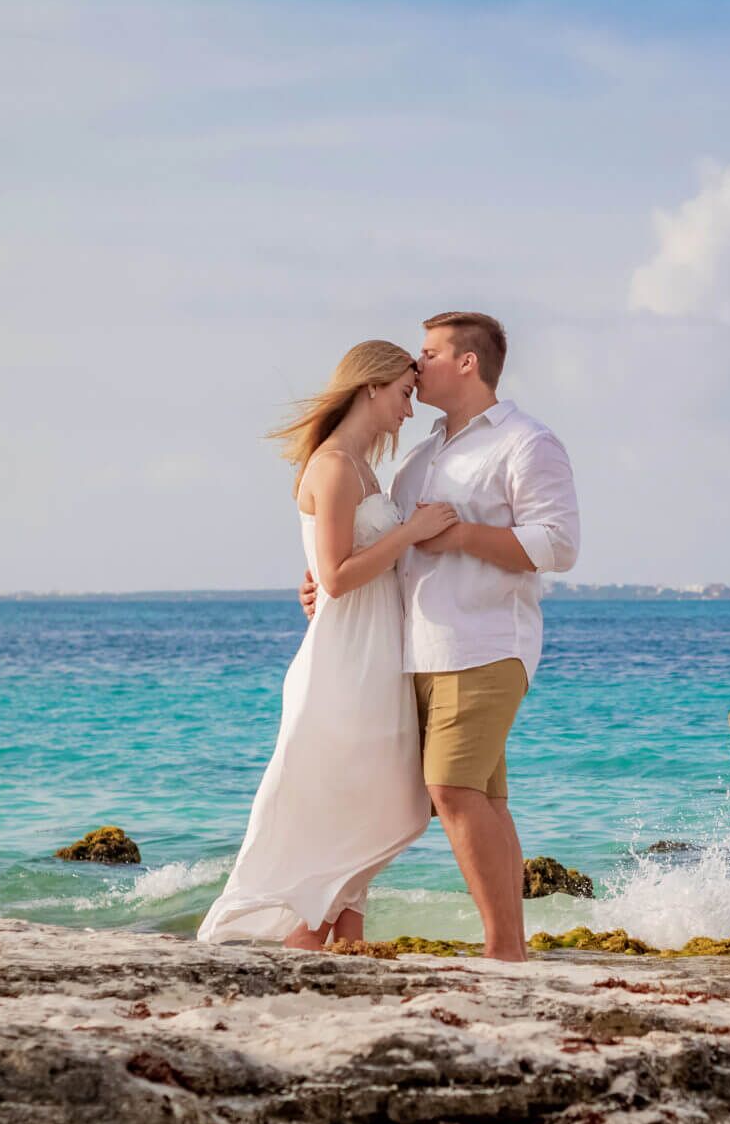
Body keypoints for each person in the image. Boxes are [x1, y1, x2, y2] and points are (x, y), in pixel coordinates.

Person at [299, 312, 580, 961]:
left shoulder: (525, 442)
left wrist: (458, 536)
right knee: (483, 797)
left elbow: (559, 544)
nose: (417, 363)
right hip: (412, 648)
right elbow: (383, 547)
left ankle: (502, 952)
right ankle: (511, 951)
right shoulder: (420, 457)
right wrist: (321, 580)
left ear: (467, 363)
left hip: (483, 641)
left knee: (451, 791)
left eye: (429, 353)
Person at [198, 341, 458, 950]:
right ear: (371, 386)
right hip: (346, 660)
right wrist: (412, 532)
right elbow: (337, 577)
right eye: (404, 394)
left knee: (367, 803)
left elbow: (334, 568)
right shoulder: (336, 465)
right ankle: (311, 941)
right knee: (367, 802)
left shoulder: (362, 467)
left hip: (375, 654)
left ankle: (347, 945)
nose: (409, 410)